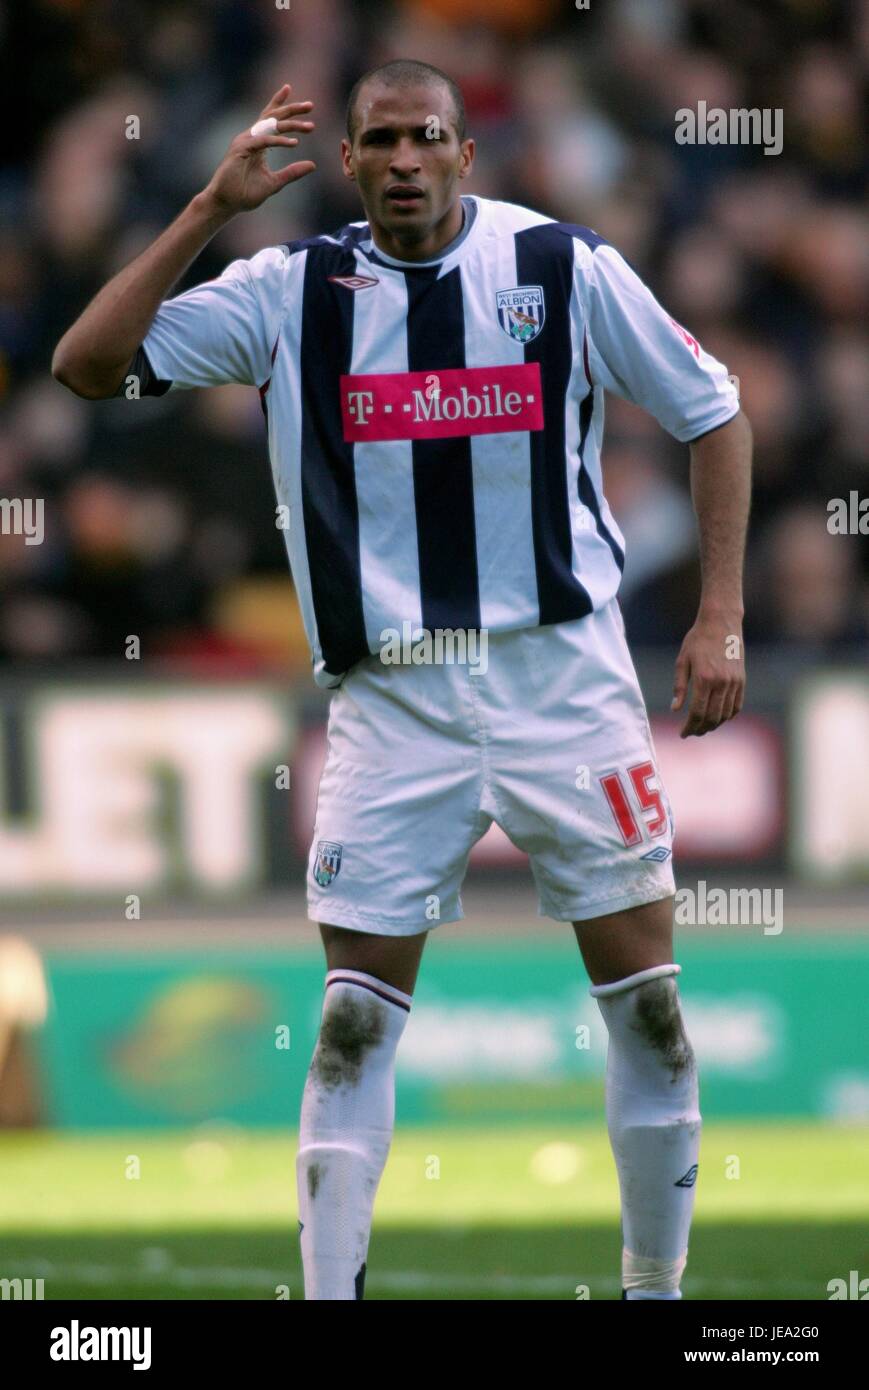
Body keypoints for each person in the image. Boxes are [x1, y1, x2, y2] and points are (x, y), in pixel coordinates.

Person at [52, 59, 752, 1302]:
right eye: (378, 140)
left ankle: (656, 1296)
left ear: (465, 153)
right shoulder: (289, 293)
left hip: (563, 683)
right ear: (350, 160)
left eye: (427, 137)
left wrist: (720, 617)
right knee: (353, 1021)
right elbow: (87, 366)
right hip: (391, 703)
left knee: (646, 1006)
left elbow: (713, 410)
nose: (403, 161)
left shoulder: (560, 268)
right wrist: (211, 208)